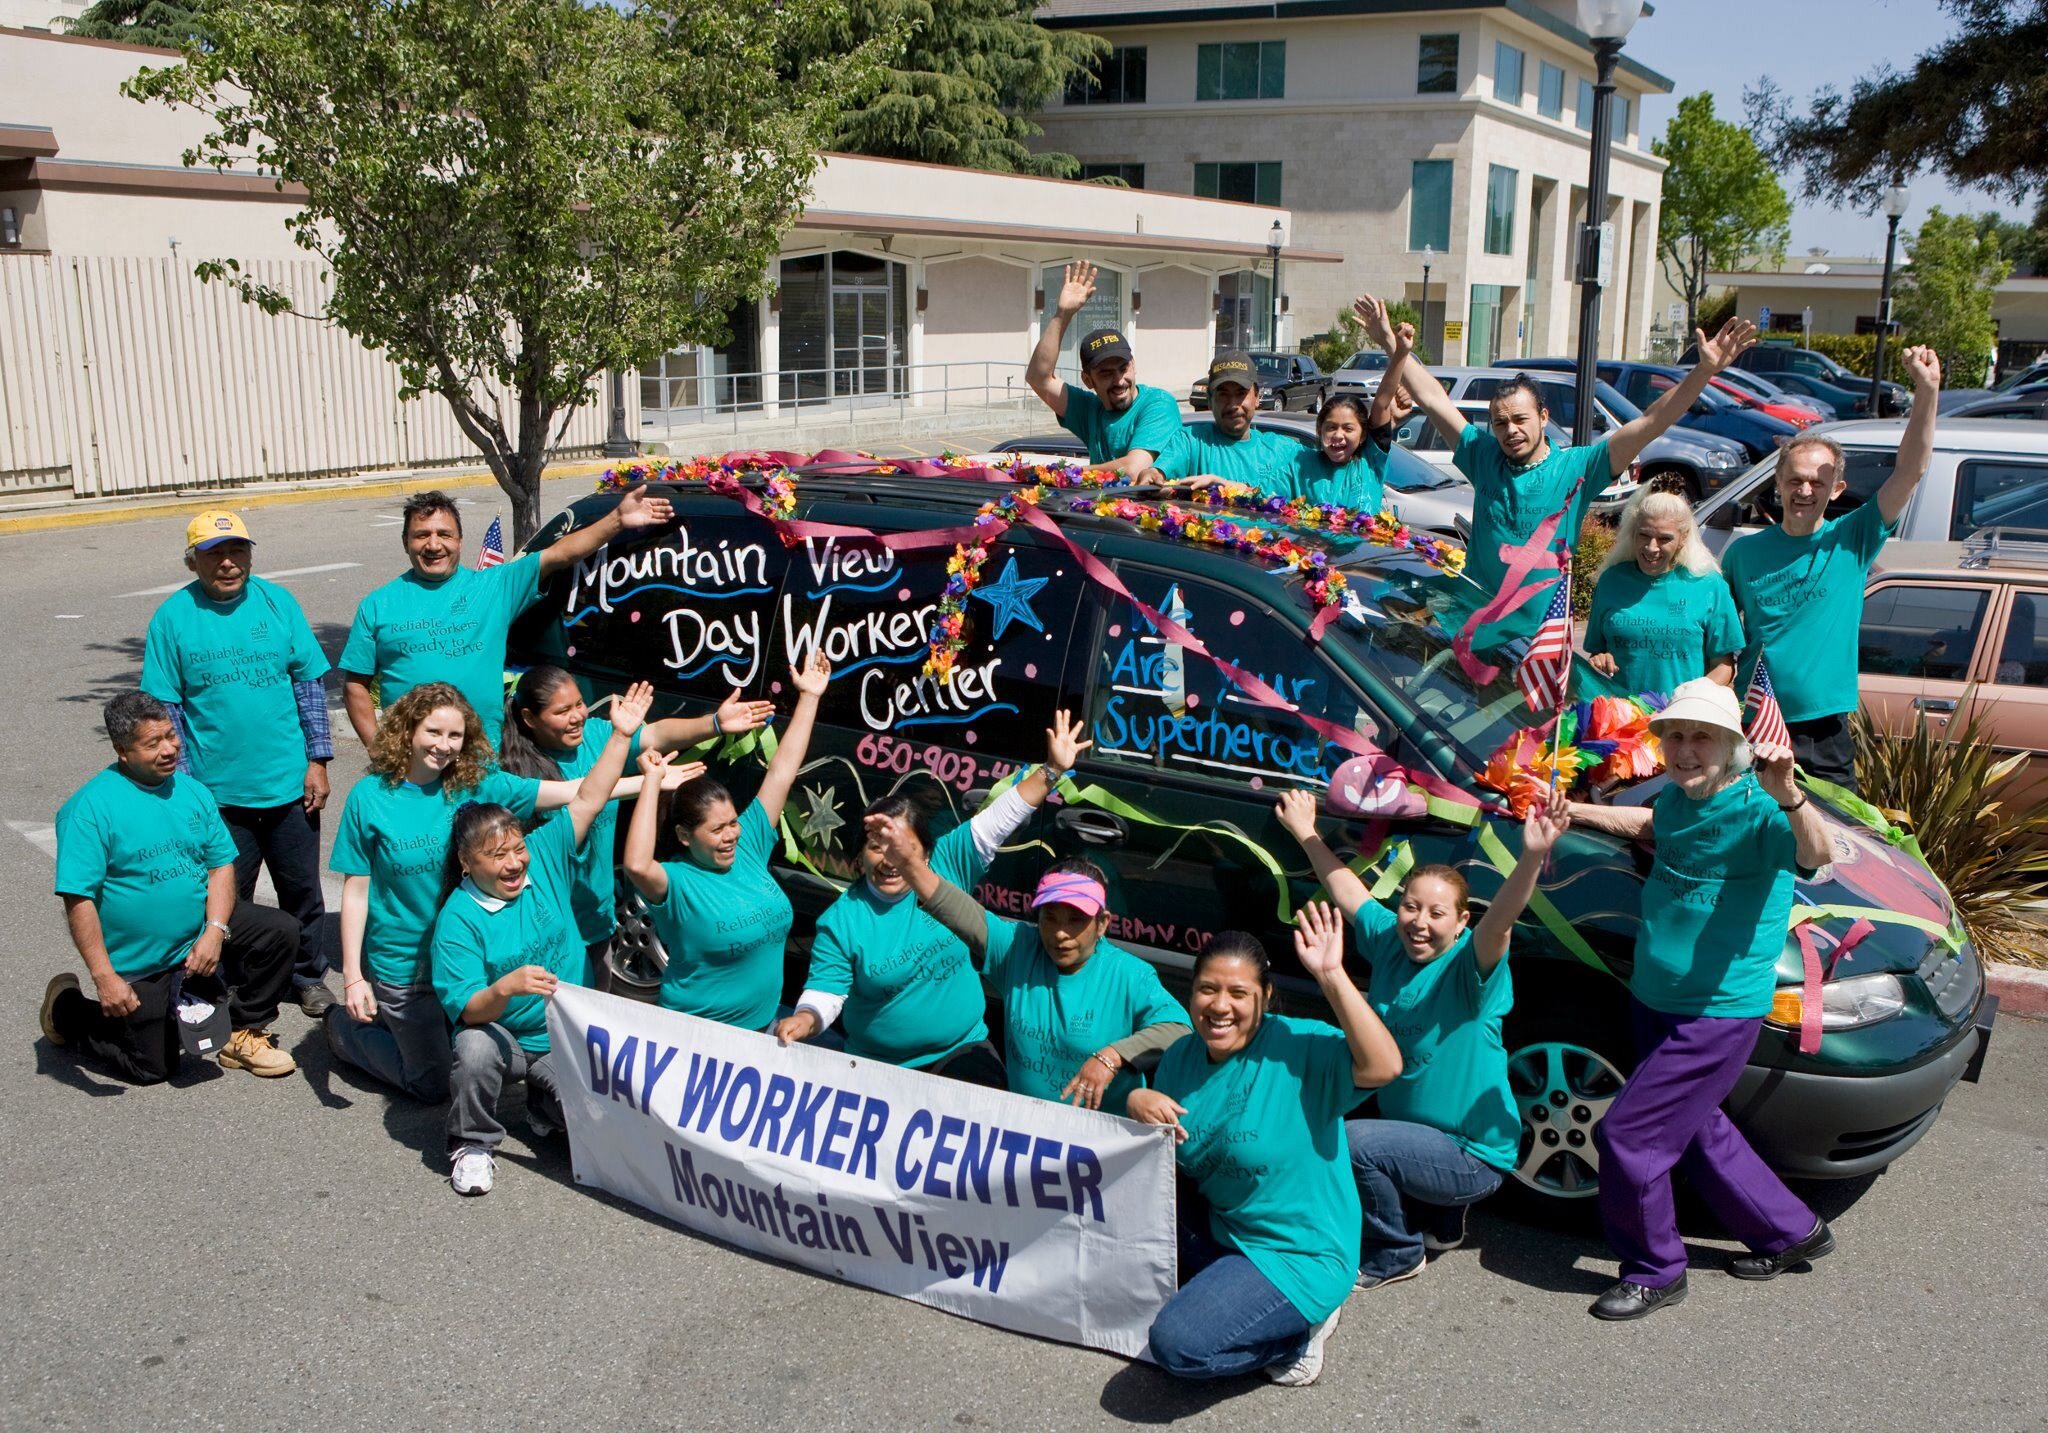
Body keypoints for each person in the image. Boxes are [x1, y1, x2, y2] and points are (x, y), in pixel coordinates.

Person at [1565, 678, 1836, 1320]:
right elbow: (1650, 822)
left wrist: (1791, 795)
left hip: (1717, 1012)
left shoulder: (1766, 810)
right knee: (1698, 1129)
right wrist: (1572, 812)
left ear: (1733, 747)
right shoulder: (1680, 798)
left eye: (1702, 739)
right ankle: (1791, 1231)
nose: (1686, 750)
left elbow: (1817, 854)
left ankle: (1656, 1269)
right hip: (1656, 997)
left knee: (1630, 1135)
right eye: (1677, 736)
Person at [1276, 788, 1557, 1288]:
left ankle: (1396, 1251)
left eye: (1437, 913)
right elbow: (1349, 892)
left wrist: (1532, 855)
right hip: (1419, 1140)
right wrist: (1306, 832)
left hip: (1472, 1154)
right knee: (1324, 1110)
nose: (1420, 923)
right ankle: (1440, 1221)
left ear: (1461, 921)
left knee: (1353, 1143)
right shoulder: (1391, 939)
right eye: (1411, 906)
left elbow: (1501, 922)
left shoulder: (1472, 967)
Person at [1355, 294, 1759, 639]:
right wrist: (1390, 342)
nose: (1510, 430)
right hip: (1475, 632)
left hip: (1540, 646)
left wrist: (1703, 371)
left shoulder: (1579, 467)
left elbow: (1651, 421)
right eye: (1500, 423)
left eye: (1520, 419)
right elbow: (1431, 397)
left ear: (1544, 417)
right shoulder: (1482, 455)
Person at [433, 682, 701, 1196]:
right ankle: (472, 1143)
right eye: (498, 856)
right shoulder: (458, 917)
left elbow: (589, 796)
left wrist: (621, 737)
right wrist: (507, 986)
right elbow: (468, 1011)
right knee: (472, 1050)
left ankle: (543, 1109)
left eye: (517, 848)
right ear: (469, 865)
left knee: (611, 1136)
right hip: (505, 1039)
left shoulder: (548, 852)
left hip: (564, 1037)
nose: (515, 862)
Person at [1131, 907, 1404, 1386]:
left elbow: (1384, 1067)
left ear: (1266, 998)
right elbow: (1166, 1155)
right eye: (1208, 989)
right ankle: (1240, 1297)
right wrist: (1138, 1097)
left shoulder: (1300, 1047)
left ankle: (1300, 1333)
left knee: (1177, 1346)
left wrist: (1332, 975)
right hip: (1227, 1228)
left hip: (1298, 1252)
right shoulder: (1179, 1057)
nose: (1220, 1006)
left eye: (1239, 993)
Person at [771, 713, 1091, 1084]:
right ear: (859, 858)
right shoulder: (842, 920)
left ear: (925, 852)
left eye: (902, 847)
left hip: (961, 1051)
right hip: (875, 1069)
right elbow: (825, 993)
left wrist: (1051, 770)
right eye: (877, 847)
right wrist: (804, 1020)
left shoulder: (949, 860)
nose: (890, 859)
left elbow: (1004, 815)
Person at [327, 683, 597, 1100]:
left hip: (469, 961)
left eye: (455, 736)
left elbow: (573, 794)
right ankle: (344, 1032)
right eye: (433, 732)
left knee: (466, 1056)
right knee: (433, 1085)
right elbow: (357, 890)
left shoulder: (474, 783)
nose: (444, 745)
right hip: (408, 968)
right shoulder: (370, 798)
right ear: (408, 730)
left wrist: (652, 779)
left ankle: (405, 1032)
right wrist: (352, 977)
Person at [41, 691, 299, 1083]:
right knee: (152, 1068)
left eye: (170, 736)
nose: (169, 749)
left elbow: (221, 867)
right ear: (122, 750)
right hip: (140, 959)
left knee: (280, 931)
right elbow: (79, 899)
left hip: (197, 932)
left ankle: (241, 1029)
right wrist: (104, 976)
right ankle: (67, 1008)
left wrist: (215, 931)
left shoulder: (192, 791)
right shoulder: (89, 810)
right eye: (153, 743)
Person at [142, 510, 337, 1017]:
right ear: (193, 561)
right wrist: (185, 789)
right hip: (218, 796)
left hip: (290, 786)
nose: (227, 563)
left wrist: (317, 759)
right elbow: (168, 711)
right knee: (228, 899)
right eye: (213, 553)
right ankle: (231, 984)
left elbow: (308, 686)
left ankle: (306, 976)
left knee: (303, 892)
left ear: (250, 553)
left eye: (237, 551)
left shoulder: (277, 603)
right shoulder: (173, 618)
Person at [1722, 346, 1943, 792]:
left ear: (1837, 488)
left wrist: (1927, 391)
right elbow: (1720, 639)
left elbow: (1911, 469)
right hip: (1754, 719)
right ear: (1778, 483)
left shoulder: (1853, 538)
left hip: (1824, 734)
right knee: (1754, 842)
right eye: (1795, 479)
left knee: (1833, 847)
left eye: (1817, 482)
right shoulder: (1743, 554)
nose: (1805, 490)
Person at [338, 483, 674, 747]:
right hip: (410, 763)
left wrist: (617, 520)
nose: (433, 544)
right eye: (422, 535)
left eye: (444, 534)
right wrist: (381, 753)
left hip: (483, 758)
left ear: (459, 540)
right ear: (406, 542)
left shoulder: (495, 586)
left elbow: (559, 554)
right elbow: (355, 687)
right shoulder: (378, 605)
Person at [881, 834, 1192, 1113]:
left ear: (1103, 923)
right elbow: (954, 907)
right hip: (1032, 1135)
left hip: (1104, 1148)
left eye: (1075, 919)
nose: (1059, 933)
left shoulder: (1129, 975)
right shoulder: (1018, 948)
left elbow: (1178, 1028)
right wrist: (909, 864)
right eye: (1050, 918)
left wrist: (1111, 1057)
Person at [498, 667, 776, 973]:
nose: (577, 716)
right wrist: (649, 781)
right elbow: (584, 795)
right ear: (529, 718)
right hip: (546, 928)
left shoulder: (594, 736)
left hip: (596, 920)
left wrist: (714, 724)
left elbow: (656, 734)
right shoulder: (512, 772)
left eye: (579, 704)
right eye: (562, 711)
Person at [622, 654, 831, 1031]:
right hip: (697, 1038)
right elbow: (637, 864)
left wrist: (810, 697)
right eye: (717, 830)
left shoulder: (748, 843)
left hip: (764, 1028)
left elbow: (782, 771)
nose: (731, 834)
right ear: (685, 836)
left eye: (732, 823)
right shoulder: (677, 883)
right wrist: (652, 780)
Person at [1025, 261, 1182, 477]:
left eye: (1123, 368)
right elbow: (1038, 378)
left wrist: (1066, 474)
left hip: (1153, 511)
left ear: (1133, 365)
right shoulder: (1089, 409)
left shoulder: (1158, 403)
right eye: (1106, 373)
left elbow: (1132, 470)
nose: (1119, 380)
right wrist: (1062, 315)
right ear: (1089, 381)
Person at [1585, 487, 1745, 694]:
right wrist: (1599, 660)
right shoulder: (1611, 581)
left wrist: (1688, 698)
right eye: (1644, 535)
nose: (1652, 547)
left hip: (1681, 719)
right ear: (1633, 532)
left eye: (1664, 539)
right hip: (1622, 719)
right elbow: (1597, 654)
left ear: (1683, 538)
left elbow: (1724, 667)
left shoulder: (1709, 585)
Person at [1147, 352, 1299, 487]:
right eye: (1223, 394)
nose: (1233, 405)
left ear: (1257, 397)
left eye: (1241, 393)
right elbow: (1159, 473)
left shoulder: (1282, 450)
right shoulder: (1190, 441)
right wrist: (1153, 474)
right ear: (1209, 400)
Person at [1259, 394, 1388, 512]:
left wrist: (1397, 367)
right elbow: (1262, 497)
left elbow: (1382, 403)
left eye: (1348, 429)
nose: (1338, 435)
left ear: (1363, 434)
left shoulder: (1371, 463)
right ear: (1321, 430)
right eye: (1331, 427)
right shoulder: (1300, 465)